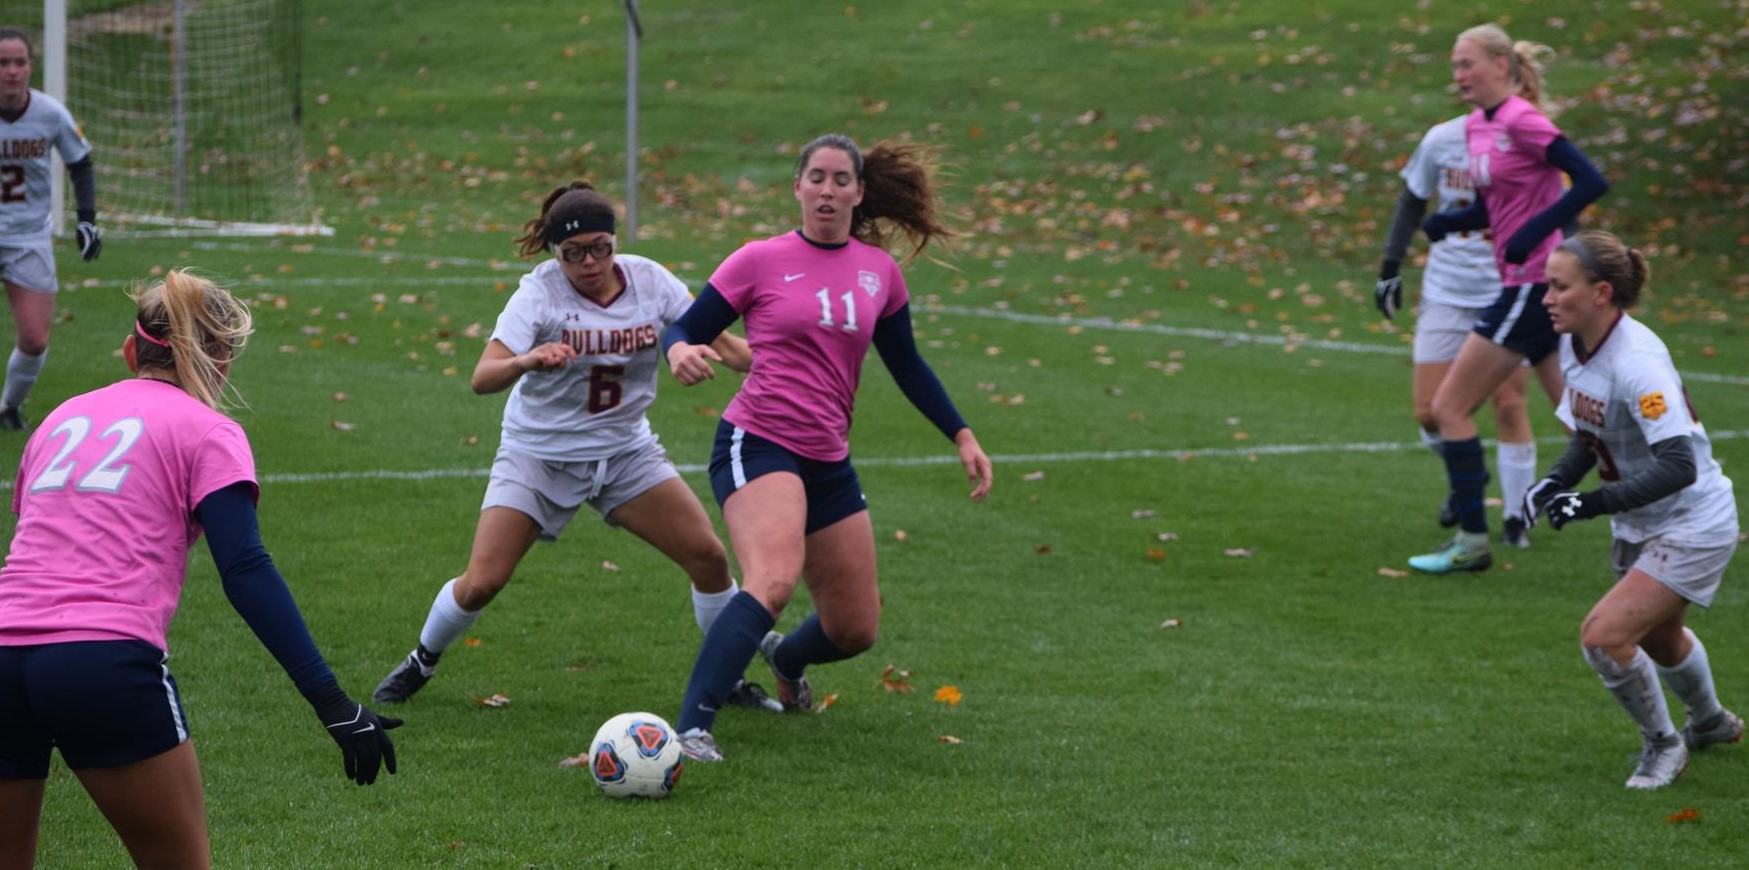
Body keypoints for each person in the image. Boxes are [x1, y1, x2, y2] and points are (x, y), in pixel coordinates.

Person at [0, 271, 398, 870]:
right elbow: (246, 569)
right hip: (101, 662)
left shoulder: (59, 419)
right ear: (221, 362)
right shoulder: (208, 430)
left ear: (132, 351)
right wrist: (332, 702)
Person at [370, 182, 777, 711]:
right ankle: (422, 659)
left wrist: (785, 357)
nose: (590, 262)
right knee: (483, 581)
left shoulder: (651, 281)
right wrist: (527, 360)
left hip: (625, 452)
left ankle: (728, 679)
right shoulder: (539, 294)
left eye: (600, 248)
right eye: (574, 253)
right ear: (554, 252)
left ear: (614, 242)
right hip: (540, 455)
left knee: (708, 558)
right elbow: (482, 377)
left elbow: (729, 347)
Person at [660, 134, 994, 762]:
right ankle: (691, 730)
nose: (827, 190)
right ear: (797, 187)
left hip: (828, 459)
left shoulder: (879, 273)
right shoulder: (759, 259)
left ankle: (786, 659)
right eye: (816, 177)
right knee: (773, 580)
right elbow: (684, 326)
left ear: (859, 193)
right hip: (758, 441)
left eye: (842, 180)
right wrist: (678, 350)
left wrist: (962, 433)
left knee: (855, 627)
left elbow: (907, 363)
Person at [1524, 229, 1741, 789]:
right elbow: (1588, 436)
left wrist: (1593, 502)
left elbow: (1679, 465)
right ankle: (1711, 723)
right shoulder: (1574, 342)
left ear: (1601, 292)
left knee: (1603, 636)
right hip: (1643, 521)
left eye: (1559, 287)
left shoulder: (1638, 361)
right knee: (1659, 639)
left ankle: (1664, 746)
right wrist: (1553, 482)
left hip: (1693, 522)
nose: (1547, 298)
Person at [1408, 23, 1609, 574]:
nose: (1458, 75)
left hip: (1533, 284)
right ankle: (1665, 503)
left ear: (1501, 65)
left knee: (1448, 409)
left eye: (1467, 63)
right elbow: (1498, 205)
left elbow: (1590, 181)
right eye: (1454, 65)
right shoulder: (1478, 127)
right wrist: (1452, 221)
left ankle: (1472, 542)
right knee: (1582, 423)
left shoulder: (1523, 119)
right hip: (1520, 283)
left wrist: (1532, 234)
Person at [1376, 112, 1539, 549]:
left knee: (1509, 403)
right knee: (1430, 411)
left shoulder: (1532, 138)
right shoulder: (1442, 138)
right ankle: (1468, 473)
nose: (1463, 81)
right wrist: (1390, 264)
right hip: (1446, 290)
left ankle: (1516, 516)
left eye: (1471, 73)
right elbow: (1413, 199)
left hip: (1508, 288)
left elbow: (1562, 209)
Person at [0, 27, 101, 432]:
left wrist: (87, 218)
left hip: (28, 238)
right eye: (3, 63)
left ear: (30, 66)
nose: (11, 71)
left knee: (35, 339)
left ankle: (8, 407)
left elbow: (81, 163)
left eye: (19, 62)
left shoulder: (50, 113)